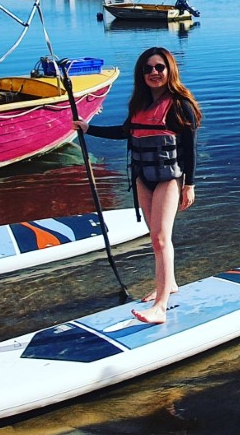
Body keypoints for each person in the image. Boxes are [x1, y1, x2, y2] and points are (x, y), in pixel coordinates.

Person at [73, 46, 201, 324]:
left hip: (170, 177)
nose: (153, 73)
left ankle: (160, 306)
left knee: (160, 238)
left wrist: (189, 185)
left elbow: (190, 150)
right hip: (143, 177)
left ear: (169, 70)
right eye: (147, 69)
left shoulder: (181, 104)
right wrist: (88, 128)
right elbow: (125, 132)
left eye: (159, 68)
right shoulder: (139, 105)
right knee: (155, 237)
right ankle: (170, 283)